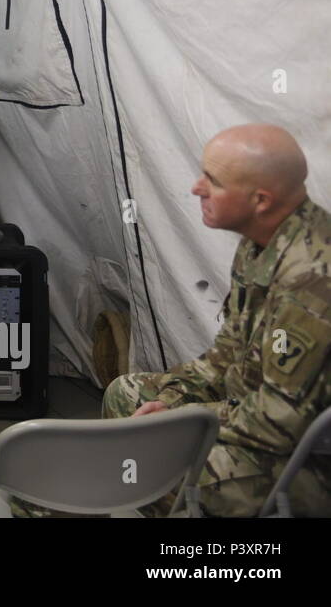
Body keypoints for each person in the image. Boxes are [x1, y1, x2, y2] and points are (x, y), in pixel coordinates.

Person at [102, 124, 330, 516]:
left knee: (156, 468)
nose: (196, 188)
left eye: (213, 180)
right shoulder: (261, 242)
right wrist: (173, 399)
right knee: (126, 395)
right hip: (250, 415)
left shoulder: (312, 280)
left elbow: (281, 422)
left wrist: (186, 420)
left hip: (306, 459)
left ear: (260, 200)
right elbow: (226, 355)